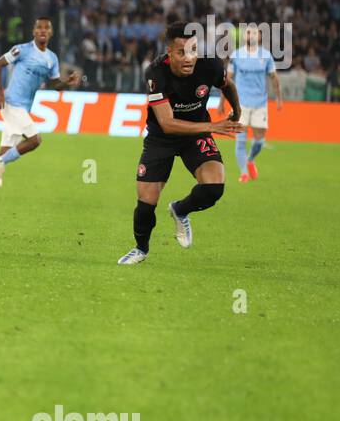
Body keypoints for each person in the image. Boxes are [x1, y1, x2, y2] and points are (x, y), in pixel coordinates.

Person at [117, 19, 243, 265]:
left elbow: (227, 85)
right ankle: (141, 249)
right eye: (182, 52)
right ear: (169, 52)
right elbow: (167, 123)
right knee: (145, 205)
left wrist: (236, 111)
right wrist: (212, 126)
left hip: (195, 135)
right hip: (161, 139)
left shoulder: (210, 66)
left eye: (193, 51)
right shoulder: (156, 73)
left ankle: (180, 210)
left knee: (214, 188)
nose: (189, 58)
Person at [0, 16, 82, 200]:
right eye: (39, 27)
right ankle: (0, 163)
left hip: (23, 108)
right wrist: (0, 92)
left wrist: (66, 82)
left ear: (51, 33)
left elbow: (54, 85)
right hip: (11, 102)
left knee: (5, 149)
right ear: (34, 32)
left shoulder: (52, 59)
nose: (43, 30)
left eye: (46, 28)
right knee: (35, 140)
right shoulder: (22, 50)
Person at [229, 24, 282, 182]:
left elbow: (274, 77)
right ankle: (244, 173)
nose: (251, 35)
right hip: (241, 104)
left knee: (260, 140)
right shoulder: (236, 55)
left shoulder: (266, 56)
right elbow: (228, 79)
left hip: (260, 103)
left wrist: (279, 98)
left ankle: (250, 159)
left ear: (259, 37)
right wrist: (222, 102)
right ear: (244, 36)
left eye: (254, 33)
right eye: (248, 32)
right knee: (240, 139)